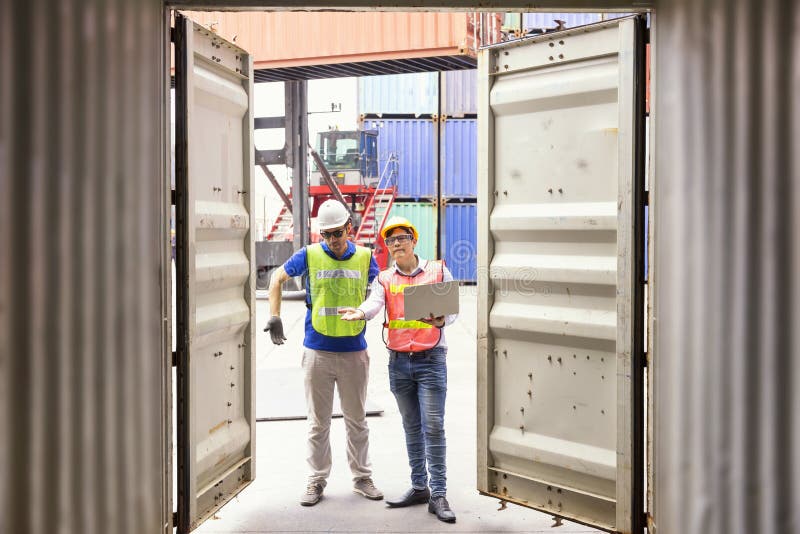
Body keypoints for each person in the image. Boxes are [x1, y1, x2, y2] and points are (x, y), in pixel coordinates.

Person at [264, 199, 384, 507]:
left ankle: (362, 478)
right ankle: (316, 480)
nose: (332, 240)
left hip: (354, 351)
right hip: (317, 352)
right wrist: (274, 314)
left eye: (337, 233)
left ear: (349, 228)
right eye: (326, 234)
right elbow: (276, 278)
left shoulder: (366, 257)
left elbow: (383, 291)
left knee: (357, 420)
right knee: (319, 423)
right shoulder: (310, 255)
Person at [339, 216, 458, 523]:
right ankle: (420, 487)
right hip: (399, 363)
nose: (396, 245)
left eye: (402, 238)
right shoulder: (386, 279)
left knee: (433, 426)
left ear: (413, 240)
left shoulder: (437, 270)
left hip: (431, 359)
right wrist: (360, 312)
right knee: (411, 426)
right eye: (390, 241)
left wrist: (443, 320)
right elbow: (375, 304)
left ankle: (439, 494)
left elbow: (452, 312)